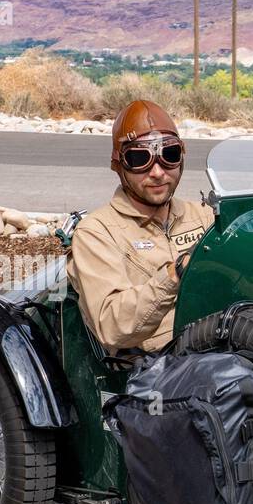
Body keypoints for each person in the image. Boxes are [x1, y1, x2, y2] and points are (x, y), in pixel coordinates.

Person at [66, 100, 214, 354]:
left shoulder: (203, 216)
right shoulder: (97, 233)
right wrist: (174, 275)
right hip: (155, 371)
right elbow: (111, 326)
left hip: (225, 347)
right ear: (119, 165)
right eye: (140, 158)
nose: (157, 172)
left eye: (169, 155)